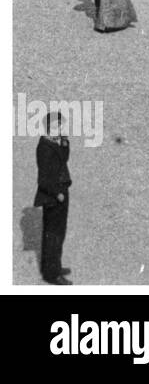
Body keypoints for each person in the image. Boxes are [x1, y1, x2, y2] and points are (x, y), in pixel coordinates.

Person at [35, 111, 73, 285]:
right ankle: (52, 274)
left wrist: (65, 142)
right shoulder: (44, 146)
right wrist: (56, 194)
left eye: (61, 125)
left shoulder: (53, 142)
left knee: (58, 233)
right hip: (54, 196)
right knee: (53, 235)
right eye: (57, 125)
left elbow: (63, 159)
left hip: (61, 193)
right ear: (49, 127)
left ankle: (53, 267)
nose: (60, 128)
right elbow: (43, 179)